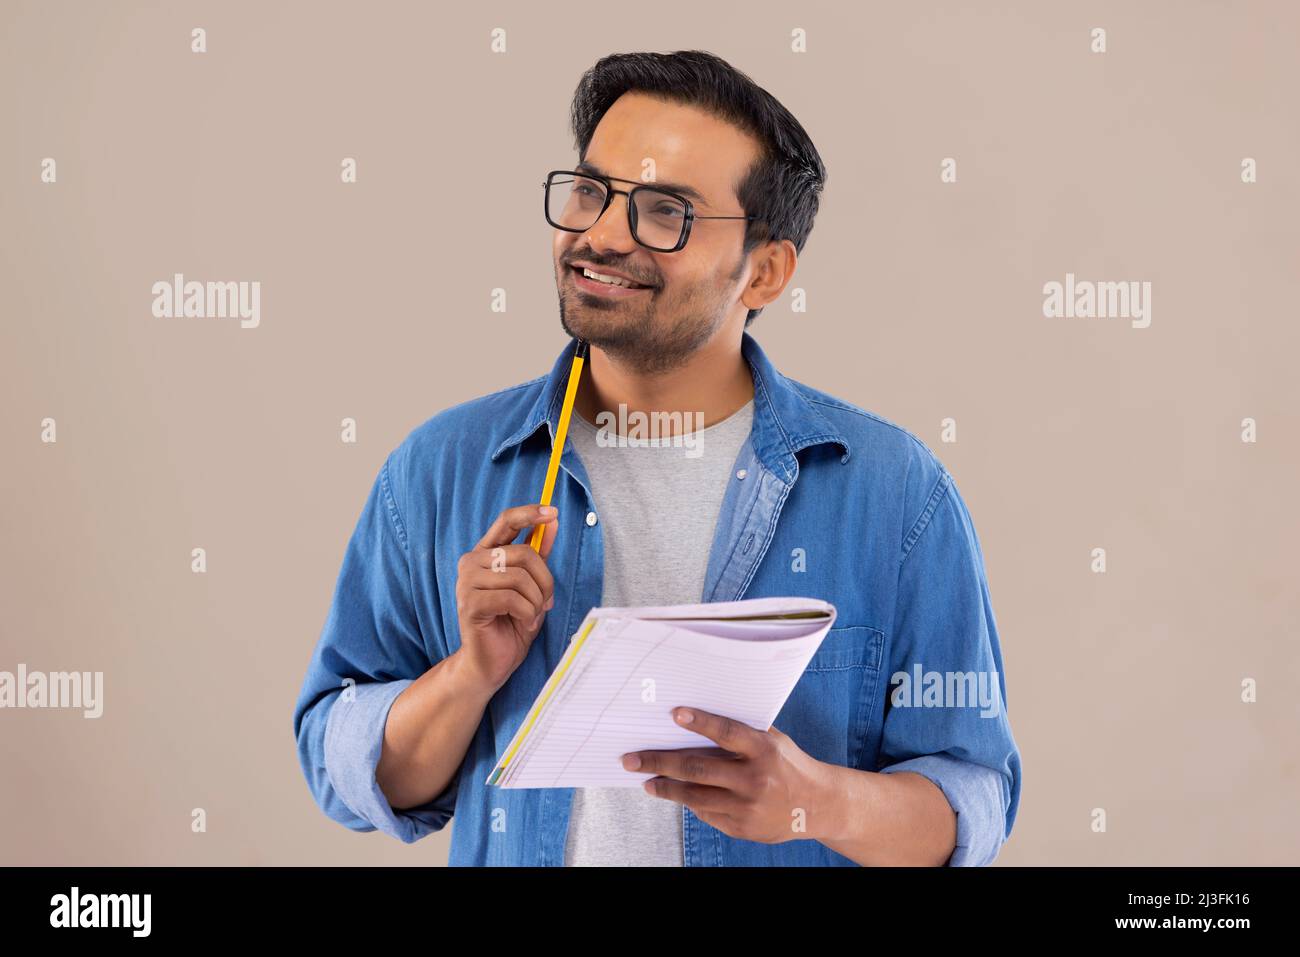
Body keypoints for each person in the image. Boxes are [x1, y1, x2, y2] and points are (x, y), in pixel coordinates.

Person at [293, 50, 1021, 866]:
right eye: (591, 191)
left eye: (666, 211)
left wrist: (815, 801)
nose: (600, 235)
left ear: (767, 272)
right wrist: (469, 675)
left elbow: (975, 796)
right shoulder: (441, 469)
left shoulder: (895, 493)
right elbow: (340, 761)